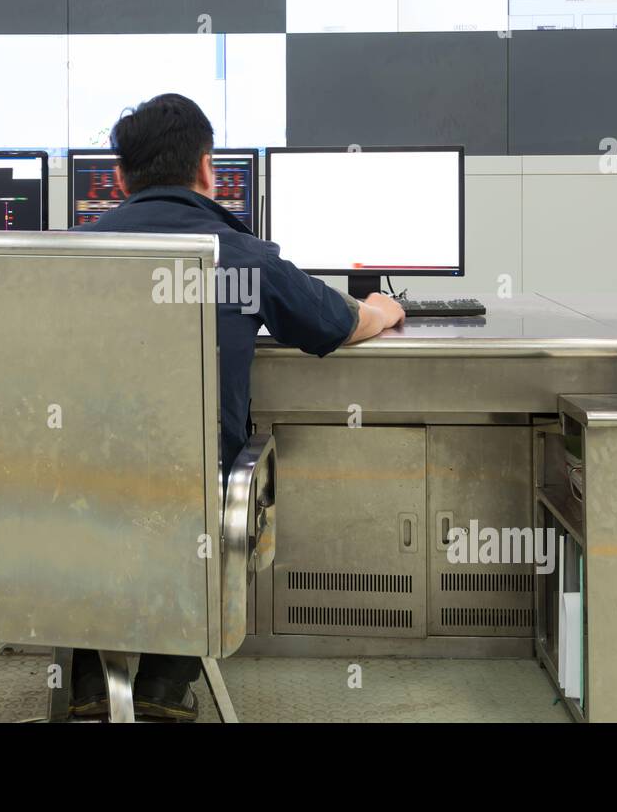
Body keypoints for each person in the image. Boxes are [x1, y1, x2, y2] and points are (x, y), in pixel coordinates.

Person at [70, 93, 405, 720]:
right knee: (197, 489)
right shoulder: (243, 257)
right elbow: (337, 324)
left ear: (119, 178)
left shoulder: (64, 258)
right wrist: (385, 309)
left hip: (78, 492)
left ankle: (92, 689)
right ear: (207, 170)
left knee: (92, 479)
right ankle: (164, 691)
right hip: (198, 495)